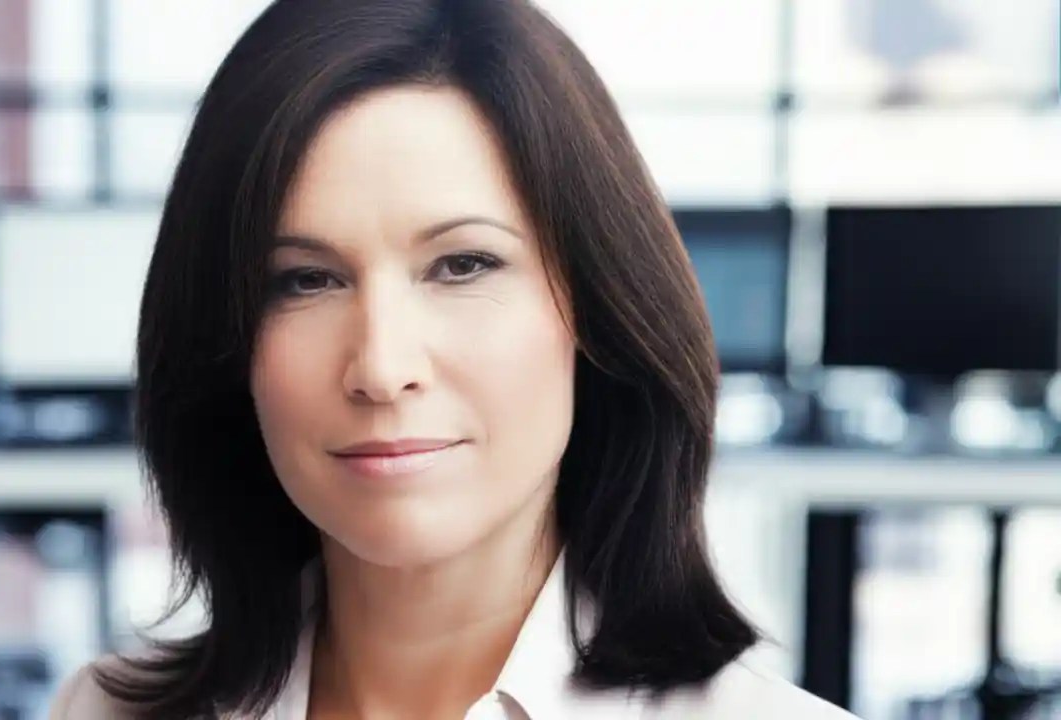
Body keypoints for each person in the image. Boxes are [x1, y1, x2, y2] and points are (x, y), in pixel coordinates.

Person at [51, 0, 860, 718]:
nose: (381, 364)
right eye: (305, 280)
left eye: (463, 264)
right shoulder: (103, 710)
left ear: (597, 308)